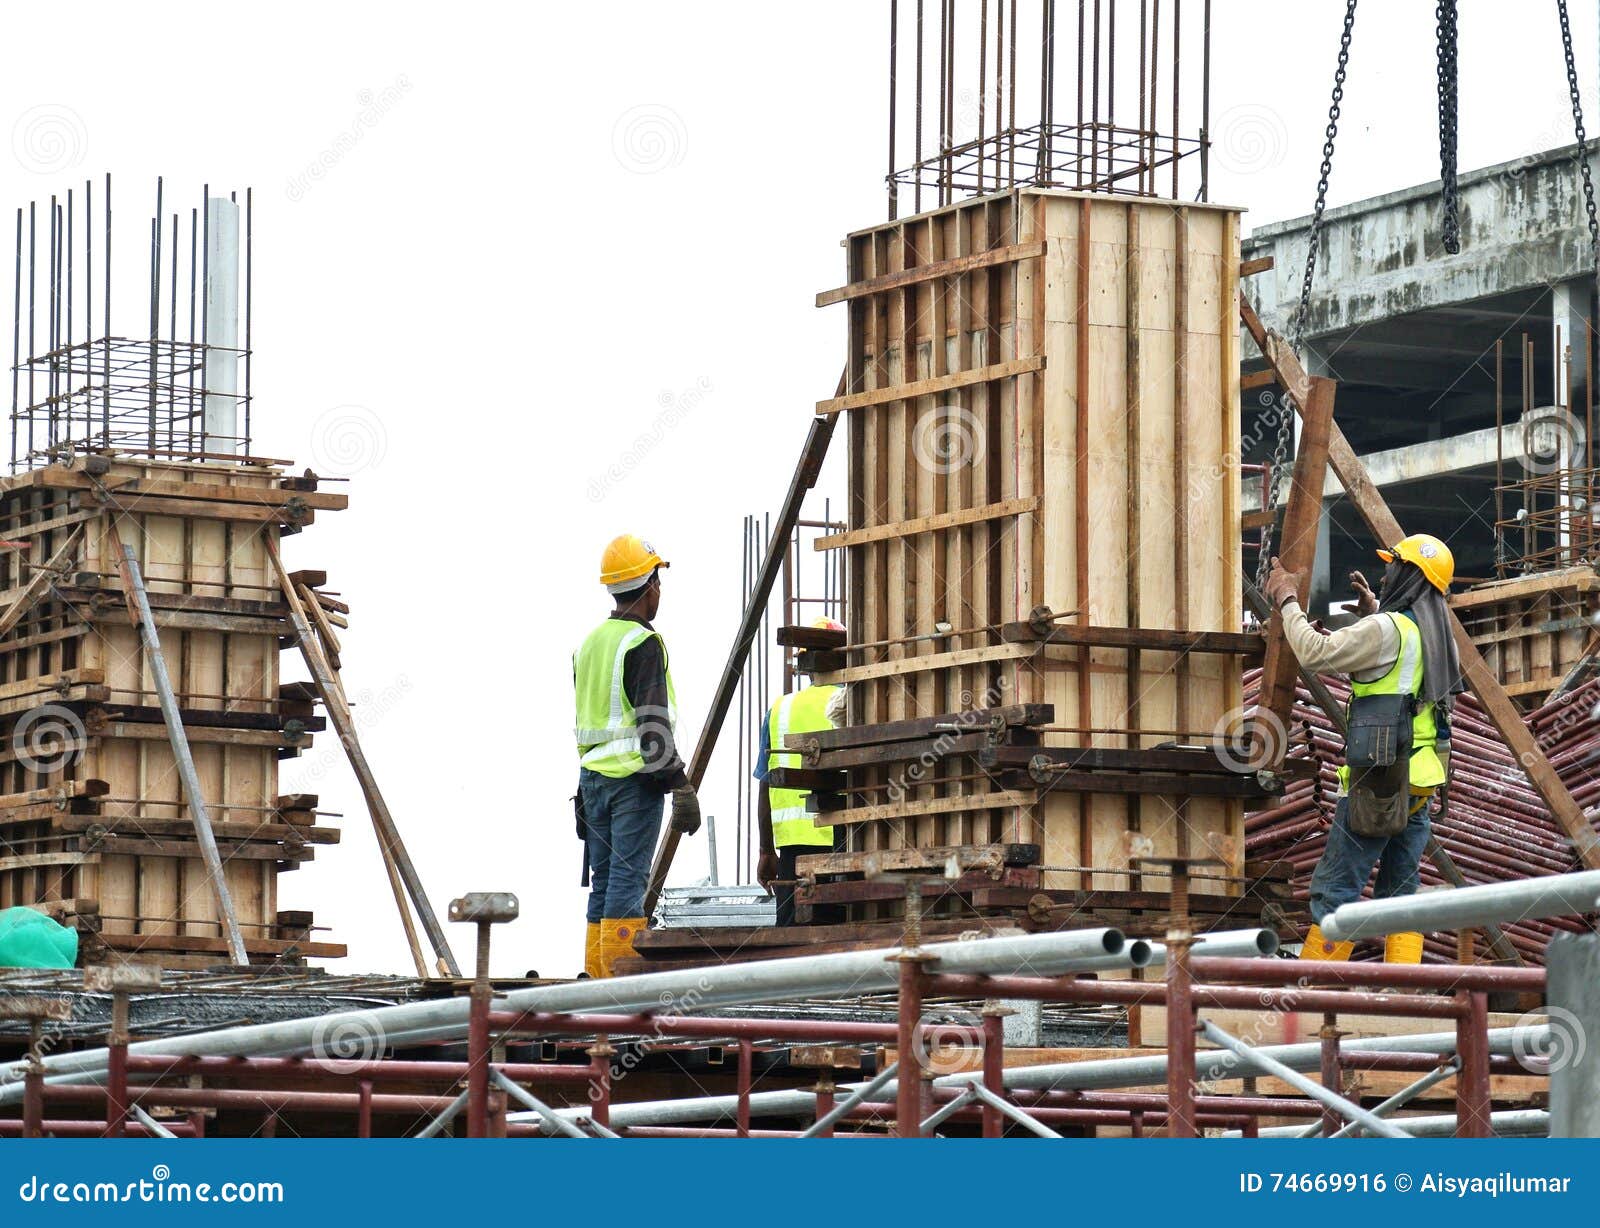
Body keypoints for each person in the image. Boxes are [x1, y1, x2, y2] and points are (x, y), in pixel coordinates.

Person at [1262, 534, 1463, 964]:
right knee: (1399, 899)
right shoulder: (1431, 632)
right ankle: (1400, 1004)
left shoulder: (1387, 631)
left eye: (1393, 564)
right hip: (1421, 780)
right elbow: (1402, 672)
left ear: (1407, 575)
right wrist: (1376, 612)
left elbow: (1315, 653)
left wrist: (1287, 599)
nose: (1385, 570)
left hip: (1379, 782)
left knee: (1335, 893)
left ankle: (1312, 996)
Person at [572, 534, 700, 978]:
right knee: (627, 885)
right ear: (650, 588)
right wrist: (679, 785)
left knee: (604, 886)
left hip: (592, 782)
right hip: (632, 783)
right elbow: (652, 727)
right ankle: (615, 995)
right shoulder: (643, 643)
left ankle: (594, 984)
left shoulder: (589, 643)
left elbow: (591, 722)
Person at [754, 617, 847, 927]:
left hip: (792, 853)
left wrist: (767, 850)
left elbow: (766, 785)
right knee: (842, 938)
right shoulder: (852, 702)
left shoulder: (780, 709)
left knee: (791, 943)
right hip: (844, 842)